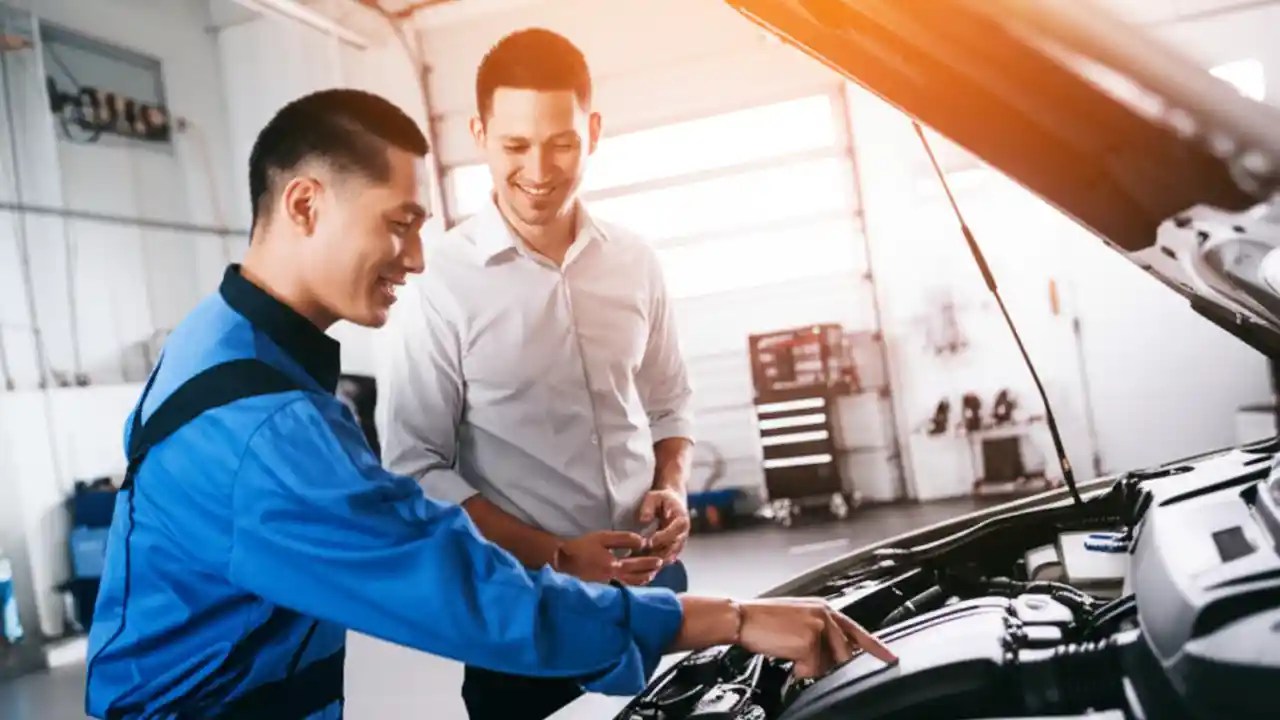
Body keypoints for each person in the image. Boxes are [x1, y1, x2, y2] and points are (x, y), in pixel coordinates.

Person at [82, 88, 895, 719]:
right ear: (304, 204)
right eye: (398, 225)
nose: (414, 256)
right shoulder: (265, 429)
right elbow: (467, 593)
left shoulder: (222, 340)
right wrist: (735, 619)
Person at [379, 28, 696, 719]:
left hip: (656, 586)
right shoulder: (441, 281)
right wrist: (556, 555)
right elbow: (416, 464)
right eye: (515, 145)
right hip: (524, 609)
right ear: (479, 134)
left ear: (594, 131)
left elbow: (670, 404)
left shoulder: (635, 261)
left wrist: (671, 486)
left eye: (562, 142)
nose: (540, 169)